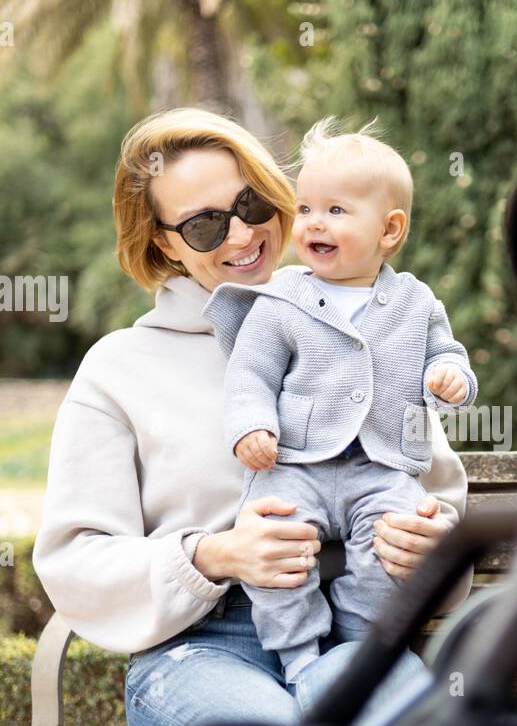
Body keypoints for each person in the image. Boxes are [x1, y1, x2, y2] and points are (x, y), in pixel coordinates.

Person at [32, 108, 472, 726]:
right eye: (206, 224)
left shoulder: (366, 328)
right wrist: (213, 555)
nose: (242, 234)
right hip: (199, 651)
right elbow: (74, 560)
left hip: (350, 637)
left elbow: (435, 498)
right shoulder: (118, 369)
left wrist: (430, 544)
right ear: (164, 244)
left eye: (251, 202)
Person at [203, 118, 477, 686]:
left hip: (381, 465)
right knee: (276, 550)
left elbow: (447, 355)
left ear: (390, 230)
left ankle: (358, 640)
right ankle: (299, 651)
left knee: (392, 545)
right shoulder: (282, 299)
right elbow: (250, 373)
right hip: (296, 462)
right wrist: (251, 426)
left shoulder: (415, 302)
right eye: (304, 209)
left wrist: (450, 376)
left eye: (336, 211)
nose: (312, 224)